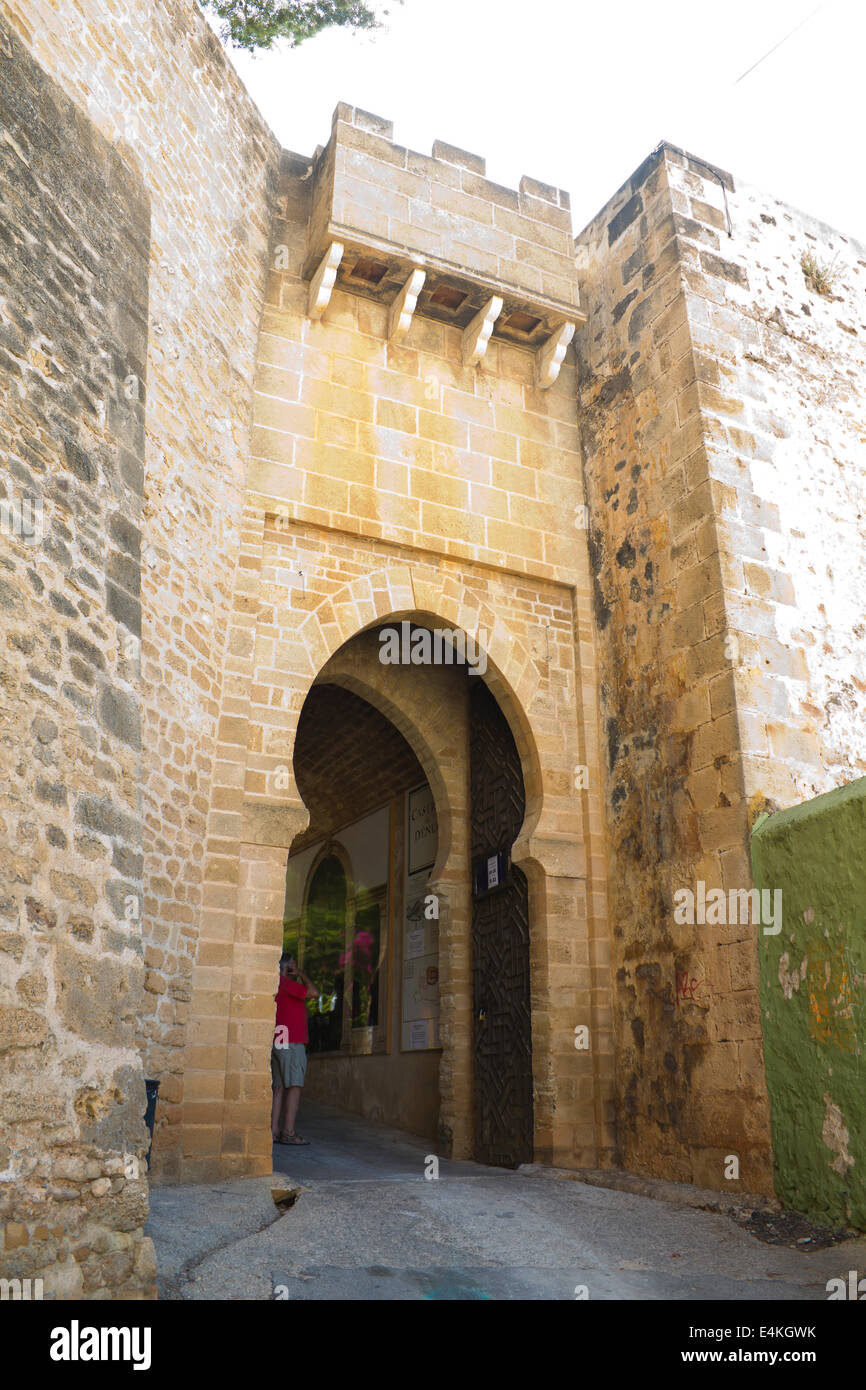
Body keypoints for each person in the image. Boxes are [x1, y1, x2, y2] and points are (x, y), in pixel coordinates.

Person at [271, 952, 318, 1146]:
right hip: (292, 1040)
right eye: (293, 964)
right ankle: (288, 1132)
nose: (295, 966)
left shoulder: (276, 985)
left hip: (279, 1038)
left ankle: (273, 1130)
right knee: (295, 1086)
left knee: (280, 1087)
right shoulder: (288, 984)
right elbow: (314, 992)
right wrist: (301, 974)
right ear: (286, 967)